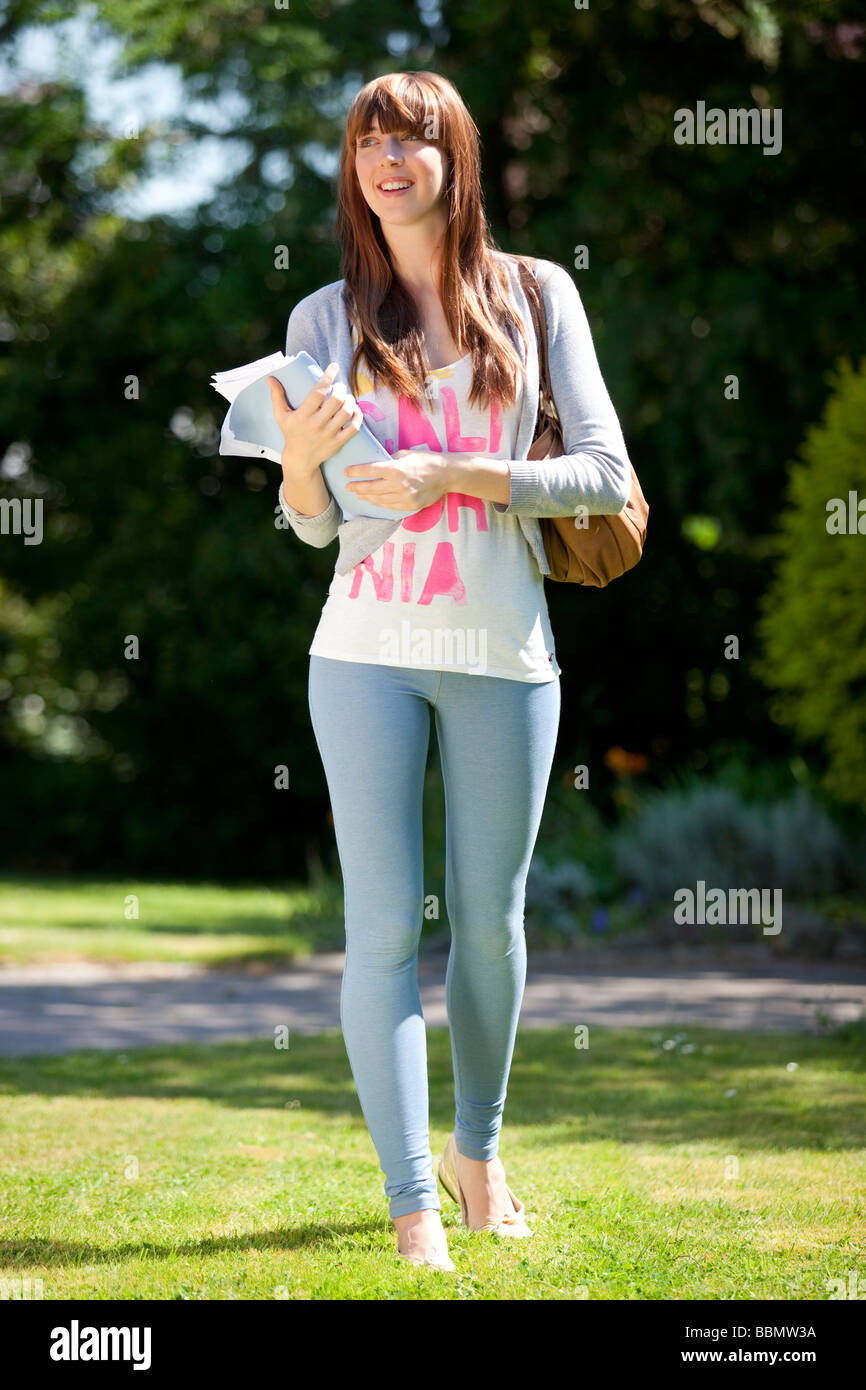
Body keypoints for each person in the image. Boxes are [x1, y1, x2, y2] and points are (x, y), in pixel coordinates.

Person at [267, 70, 630, 1272]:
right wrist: (299, 470)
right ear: (351, 170)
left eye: (412, 136)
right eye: (368, 138)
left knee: (489, 927)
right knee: (378, 936)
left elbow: (598, 472)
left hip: (502, 650)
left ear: (453, 158)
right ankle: (409, 1199)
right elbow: (313, 527)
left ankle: (479, 1151)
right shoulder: (322, 317)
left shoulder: (534, 295)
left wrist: (458, 479)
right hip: (362, 652)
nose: (387, 157)